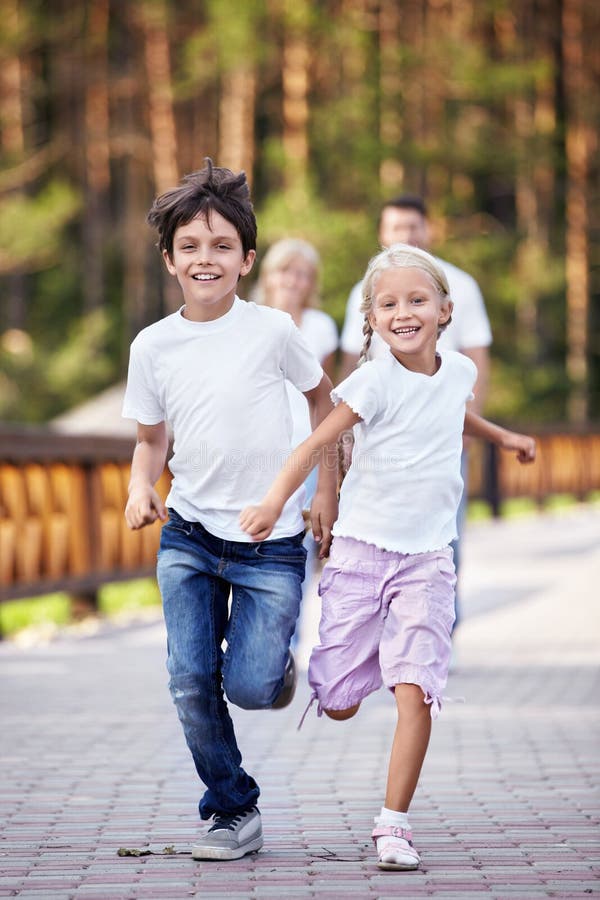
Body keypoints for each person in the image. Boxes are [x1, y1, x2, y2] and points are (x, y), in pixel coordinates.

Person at [240, 243, 535, 872]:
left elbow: (456, 414)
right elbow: (317, 441)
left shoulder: (458, 372)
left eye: (417, 300)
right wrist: (274, 502)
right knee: (339, 700)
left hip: (428, 558)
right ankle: (359, 655)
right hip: (362, 552)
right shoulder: (372, 380)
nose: (404, 312)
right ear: (371, 319)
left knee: (416, 687)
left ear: (444, 310)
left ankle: (393, 824)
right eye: (389, 303)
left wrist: (503, 436)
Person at [122, 160, 337, 861]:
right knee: (189, 678)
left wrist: (324, 491)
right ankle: (231, 809)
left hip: (270, 541)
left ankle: (271, 672)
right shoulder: (152, 346)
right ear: (169, 259)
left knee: (246, 683)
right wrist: (138, 486)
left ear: (247, 260)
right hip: (187, 533)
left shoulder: (273, 331)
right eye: (190, 247)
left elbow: (322, 403)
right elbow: (152, 439)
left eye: (220, 247)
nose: (204, 259)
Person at [339, 195, 493, 620]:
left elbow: (478, 361)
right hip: (382, 441)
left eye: (412, 227)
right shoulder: (364, 289)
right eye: (395, 228)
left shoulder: (460, 285)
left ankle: (439, 626)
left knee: (444, 534)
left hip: (441, 437)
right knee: (377, 533)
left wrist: (468, 431)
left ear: (428, 231)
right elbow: (351, 365)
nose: (404, 235)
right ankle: (388, 625)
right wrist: (350, 438)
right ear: (381, 234)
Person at [253, 238, 339, 646]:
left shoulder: (321, 326)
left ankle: (289, 642)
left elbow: (325, 394)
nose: (292, 280)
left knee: (295, 548)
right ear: (267, 275)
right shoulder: (245, 320)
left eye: (302, 274)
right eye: (284, 271)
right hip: (254, 451)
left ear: (311, 283)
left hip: (305, 448)